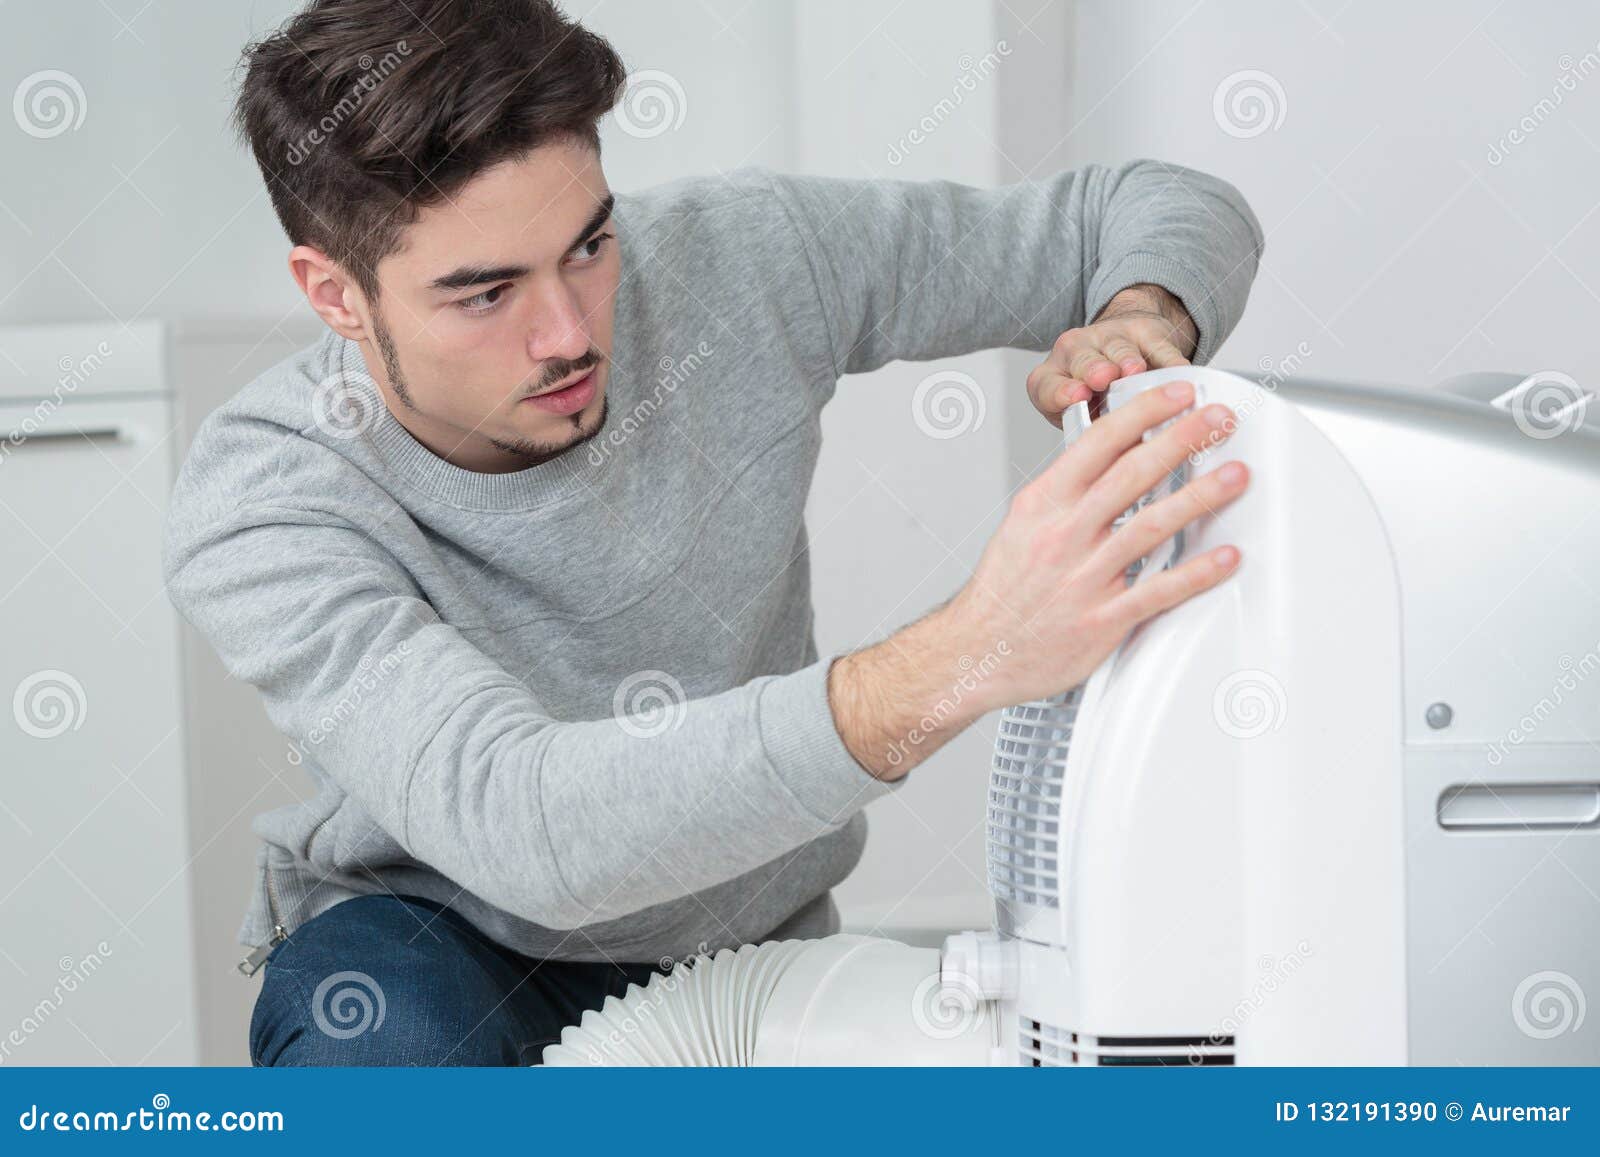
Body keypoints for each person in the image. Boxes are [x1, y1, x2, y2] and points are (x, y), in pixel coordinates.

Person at [164, 0, 1263, 1065]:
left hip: (742, 951)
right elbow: (525, 824)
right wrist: (967, 653)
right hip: (443, 948)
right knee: (383, 1042)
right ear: (336, 294)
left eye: (589, 245)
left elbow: (1157, 205)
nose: (568, 332)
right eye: (486, 293)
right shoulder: (268, 496)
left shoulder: (741, 254)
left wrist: (1140, 317)